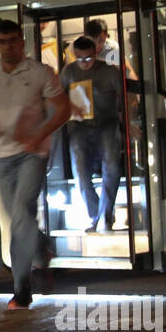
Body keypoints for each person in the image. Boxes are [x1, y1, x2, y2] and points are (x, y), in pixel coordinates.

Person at [0, 20, 70, 309]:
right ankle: (40, 249)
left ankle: (22, 290)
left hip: (33, 153)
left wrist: (40, 134)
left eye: (13, 41)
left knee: (21, 215)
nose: (8, 47)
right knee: (17, 219)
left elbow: (64, 109)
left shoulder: (40, 72)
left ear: (22, 42)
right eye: (2, 41)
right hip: (1, 157)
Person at [60, 36, 124, 232]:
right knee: (79, 170)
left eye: (89, 58)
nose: (85, 63)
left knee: (111, 166)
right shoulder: (68, 72)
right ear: (74, 56)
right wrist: (69, 107)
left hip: (107, 123)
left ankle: (104, 216)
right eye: (80, 59)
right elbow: (57, 98)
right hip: (80, 127)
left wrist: (126, 121)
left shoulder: (110, 71)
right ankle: (96, 215)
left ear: (95, 54)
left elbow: (125, 98)